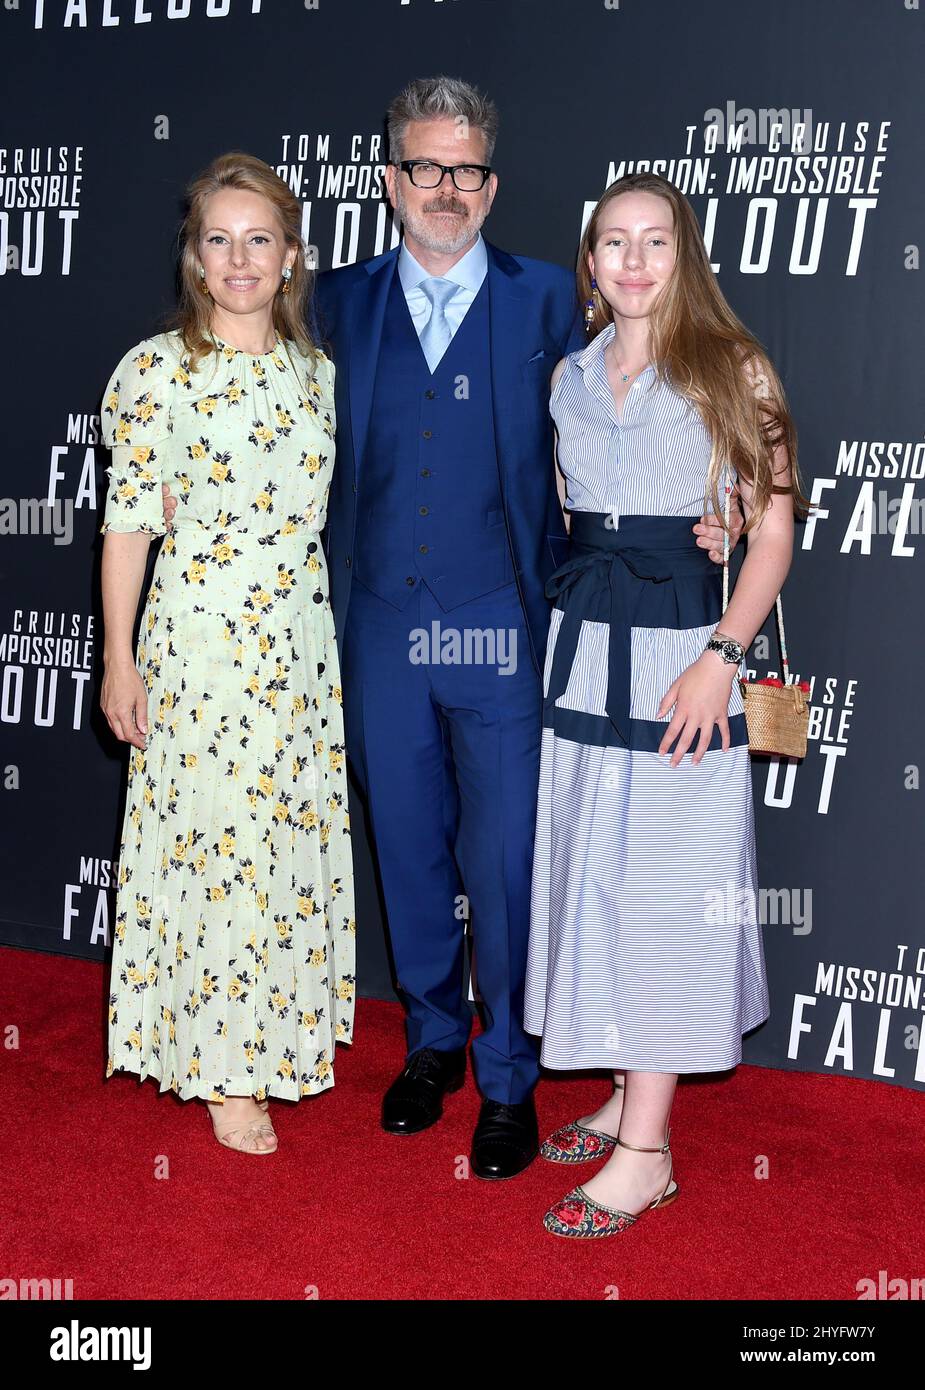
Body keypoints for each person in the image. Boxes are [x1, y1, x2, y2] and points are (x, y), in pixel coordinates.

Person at [306, 80, 742, 1180]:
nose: (444, 190)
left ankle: (507, 1078)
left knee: (503, 864)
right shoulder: (336, 302)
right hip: (380, 625)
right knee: (404, 849)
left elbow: (664, 392)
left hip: (507, 627)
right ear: (390, 178)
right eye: (423, 168)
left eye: (465, 171)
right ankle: (433, 1044)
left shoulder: (553, 298)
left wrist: (724, 503)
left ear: (491, 185)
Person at [525, 172, 810, 1236]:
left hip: (685, 661)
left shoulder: (732, 367)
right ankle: (622, 1087)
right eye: (613, 243)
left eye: (655, 242)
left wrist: (720, 654)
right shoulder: (570, 373)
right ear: (590, 260)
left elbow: (772, 530)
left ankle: (647, 1150)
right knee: (591, 870)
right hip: (582, 647)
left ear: (684, 255)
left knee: (661, 886)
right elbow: (575, 513)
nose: (634, 262)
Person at [100, 152, 356, 1154]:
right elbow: (126, 528)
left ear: (291, 256)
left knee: (277, 850)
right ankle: (221, 1069)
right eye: (220, 240)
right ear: (195, 259)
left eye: (260, 240)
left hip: (295, 645)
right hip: (198, 644)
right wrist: (119, 660)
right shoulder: (155, 371)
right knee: (217, 849)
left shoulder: (315, 374)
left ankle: (273, 1036)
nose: (240, 259)